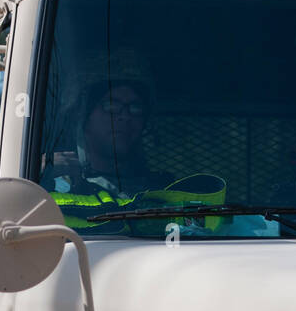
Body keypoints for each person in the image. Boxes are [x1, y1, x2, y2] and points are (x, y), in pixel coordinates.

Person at [40, 75, 225, 231]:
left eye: (135, 108)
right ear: (84, 117)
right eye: (111, 106)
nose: (124, 116)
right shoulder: (53, 180)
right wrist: (41, 172)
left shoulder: (164, 189)